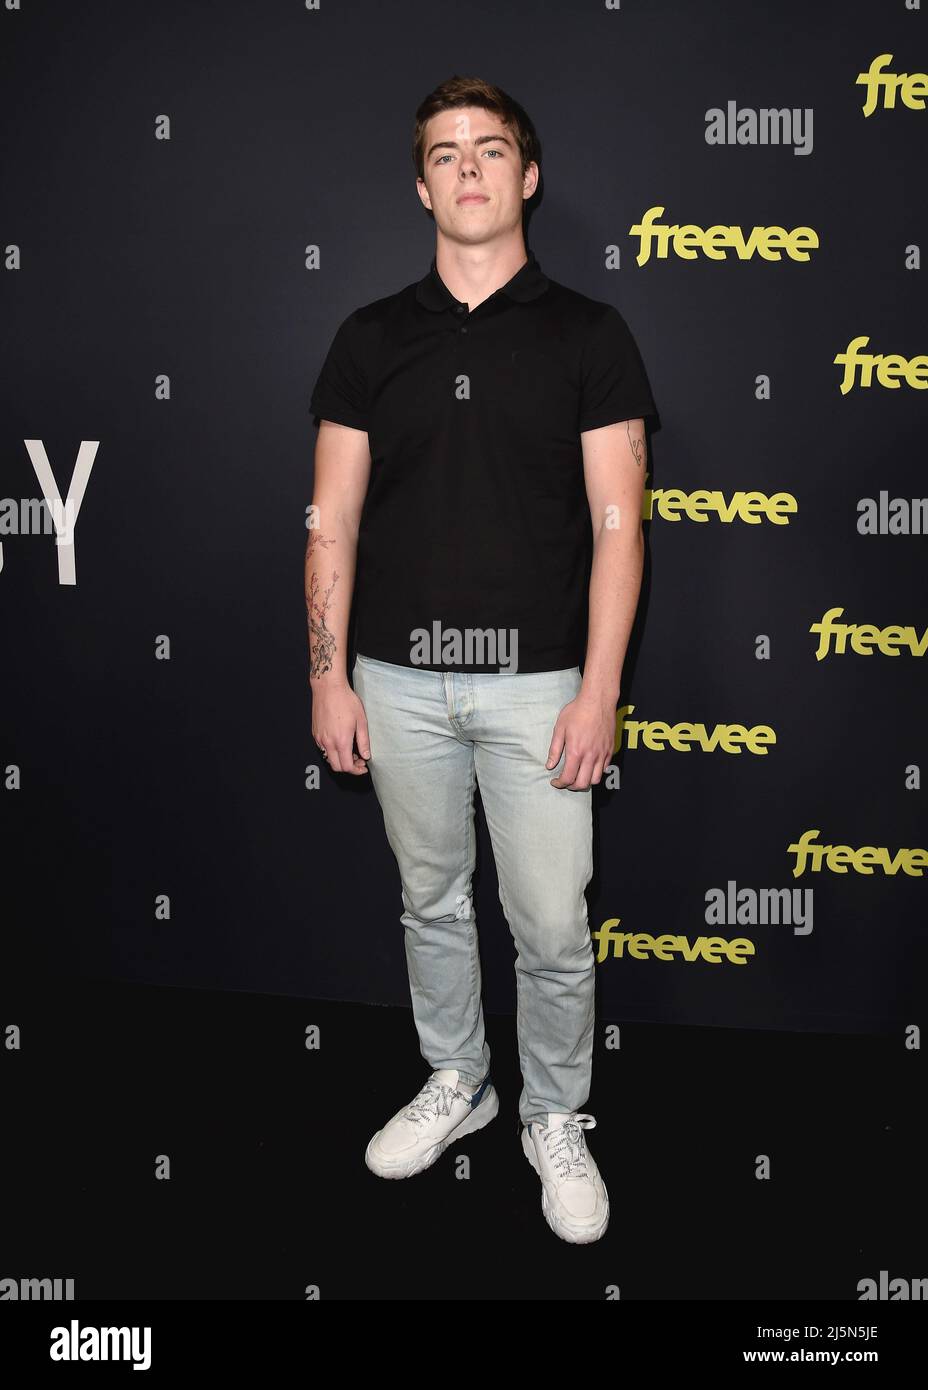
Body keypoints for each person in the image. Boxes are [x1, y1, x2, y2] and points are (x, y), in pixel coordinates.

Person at [306, 75, 657, 1244]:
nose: (468, 168)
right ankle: (460, 1081)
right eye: (446, 153)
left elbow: (620, 526)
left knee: (551, 924)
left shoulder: (590, 336)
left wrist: (599, 688)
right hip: (394, 682)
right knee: (430, 902)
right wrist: (325, 673)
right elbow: (331, 522)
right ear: (420, 185)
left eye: (490, 149)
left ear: (527, 176)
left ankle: (556, 1113)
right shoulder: (367, 338)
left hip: (540, 682)